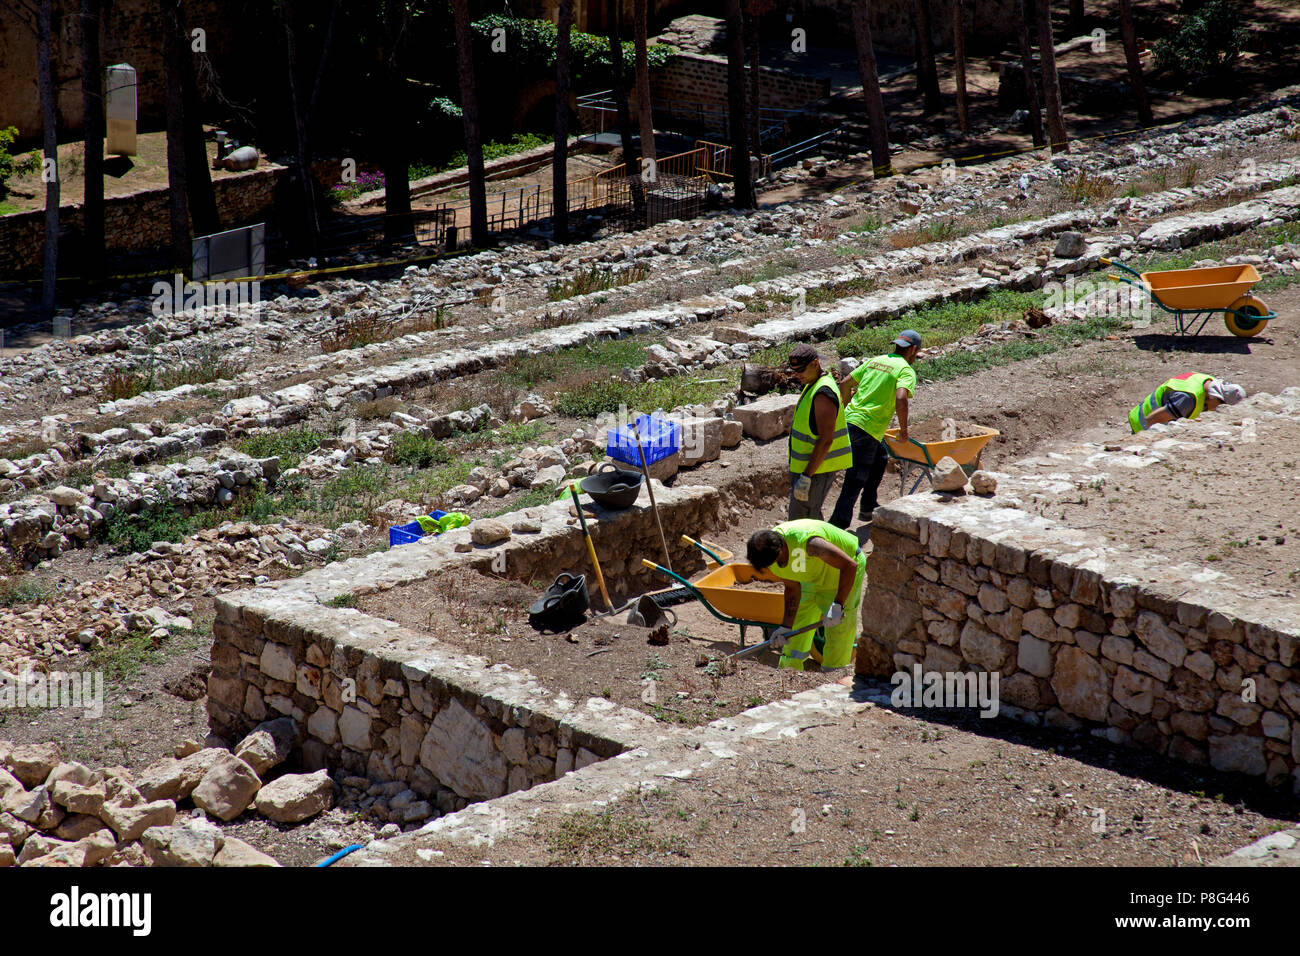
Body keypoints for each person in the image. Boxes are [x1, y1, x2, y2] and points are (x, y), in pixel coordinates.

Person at [828, 330, 921, 530]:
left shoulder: (876, 361)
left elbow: (845, 383)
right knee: (855, 479)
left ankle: (868, 505)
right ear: (913, 350)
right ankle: (837, 527)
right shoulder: (905, 370)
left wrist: (845, 407)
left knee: (880, 457)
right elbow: (901, 398)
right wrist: (904, 431)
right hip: (867, 429)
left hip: (851, 422)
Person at [746, 519, 866, 674]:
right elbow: (792, 587)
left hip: (842, 573)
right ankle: (789, 672)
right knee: (799, 622)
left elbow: (850, 566)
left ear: (780, 552)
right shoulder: (771, 550)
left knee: (838, 631)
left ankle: (833, 675)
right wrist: (786, 627)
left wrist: (837, 605)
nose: (771, 568)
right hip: (811, 574)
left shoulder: (810, 543)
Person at [786, 344, 852, 520]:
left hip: (815, 472)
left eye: (801, 370)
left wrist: (806, 476)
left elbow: (826, 440)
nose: (797, 375)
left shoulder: (823, 393)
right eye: (794, 370)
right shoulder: (812, 384)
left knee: (801, 525)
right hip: (808, 470)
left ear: (815, 364)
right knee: (811, 518)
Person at [1128, 373, 1245, 433]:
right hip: (1141, 424)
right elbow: (1151, 419)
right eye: (1221, 408)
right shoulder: (1187, 400)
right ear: (1216, 398)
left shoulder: (1207, 380)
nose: (1217, 411)